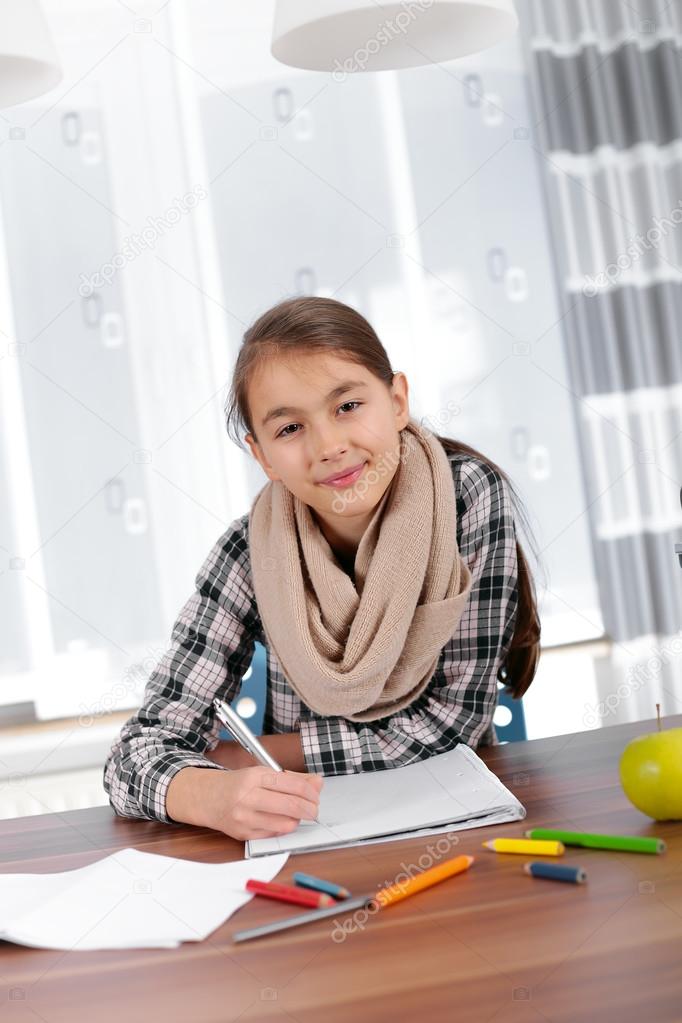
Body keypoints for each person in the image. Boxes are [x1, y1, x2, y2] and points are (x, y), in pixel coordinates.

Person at [103, 296, 541, 841]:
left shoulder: (465, 497)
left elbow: (454, 727)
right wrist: (208, 794)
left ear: (397, 402)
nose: (329, 446)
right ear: (263, 456)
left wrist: (252, 757)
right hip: (306, 832)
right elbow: (133, 756)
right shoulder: (250, 552)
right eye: (290, 429)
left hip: (454, 827)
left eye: (348, 406)